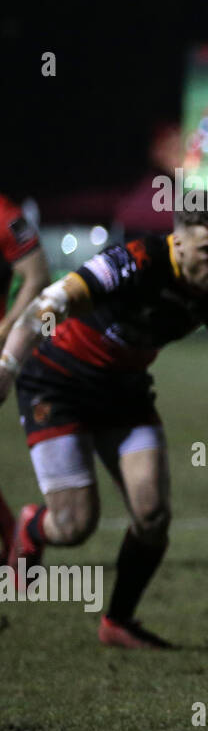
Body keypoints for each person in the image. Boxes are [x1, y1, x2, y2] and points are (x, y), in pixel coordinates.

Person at [0, 205, 208, 648]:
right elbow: (49, 306)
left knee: (153, 516)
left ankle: (118, 621)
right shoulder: (132, 262)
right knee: (76, 525)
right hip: (58, 385)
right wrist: (7, 366)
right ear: (178, 243)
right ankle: (33, 525)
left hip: (125, 393)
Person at [0, 194, 51, 547]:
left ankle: (12, 540)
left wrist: (4, 331)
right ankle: (12, 539)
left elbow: (36, 277)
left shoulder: (5, 215)